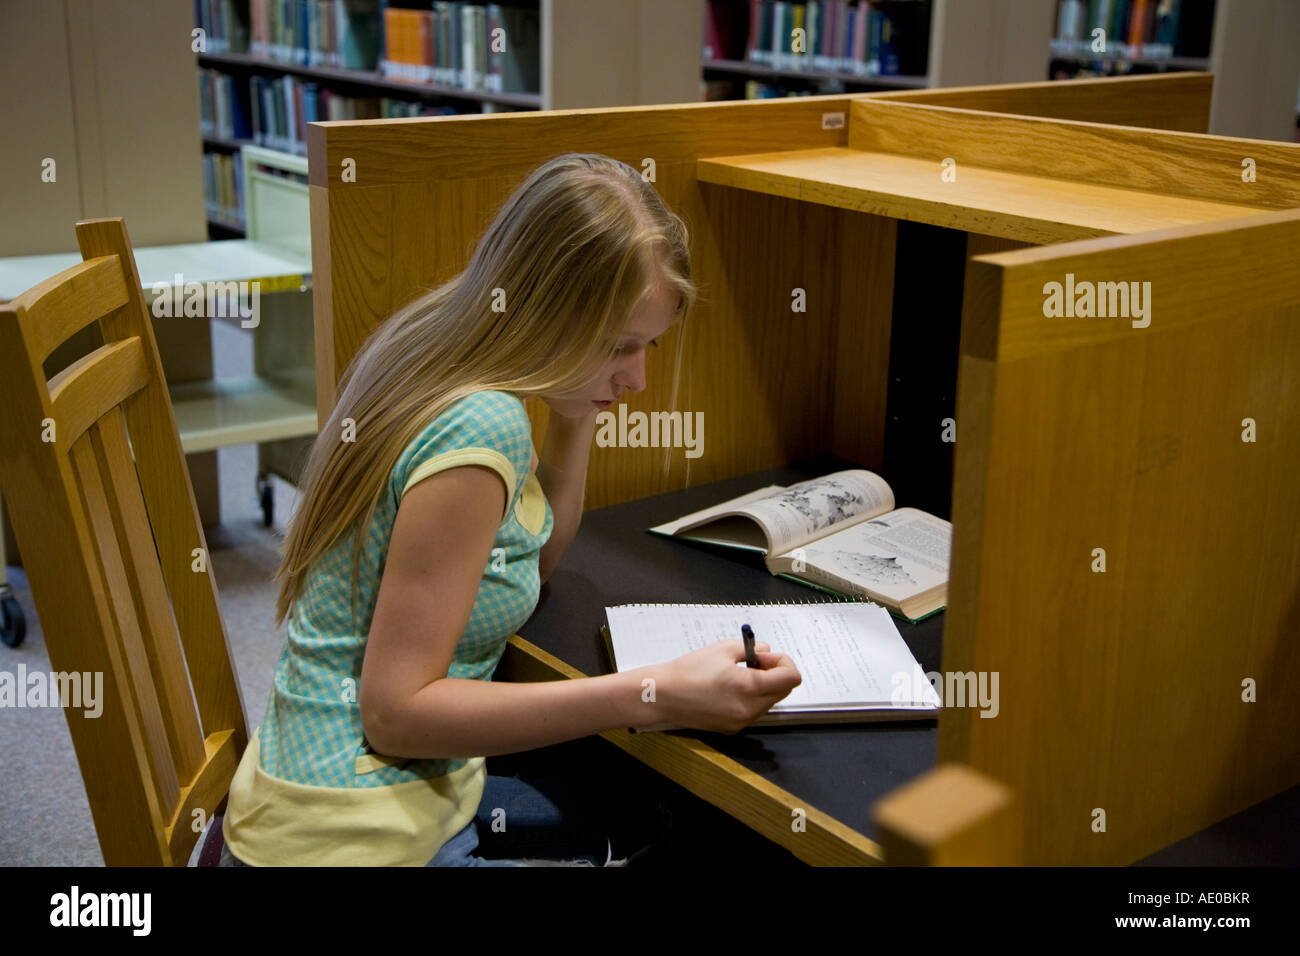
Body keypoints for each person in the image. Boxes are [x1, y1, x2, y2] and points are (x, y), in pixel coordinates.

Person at [219, 152, 802, 867]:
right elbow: (395, 713)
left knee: (646, 808)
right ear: (544, 312)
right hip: (357, 836)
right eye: (620, 346)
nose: (641, 379)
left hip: (321, 792)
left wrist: (579, 407)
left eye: (648, 347)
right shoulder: (480, 426)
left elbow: (535, 554)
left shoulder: (433, 342)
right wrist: (653, 695)